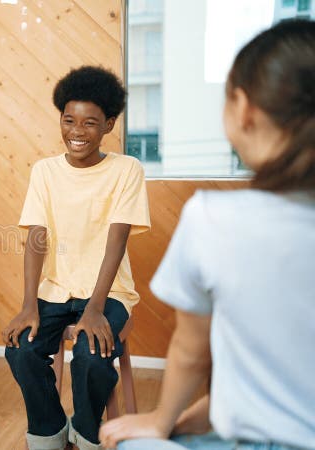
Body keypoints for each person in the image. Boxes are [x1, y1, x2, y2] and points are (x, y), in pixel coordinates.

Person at [99, 19, 315, 450]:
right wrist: (184, 422)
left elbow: (193, 352)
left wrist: (162, 420)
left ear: (244, 108)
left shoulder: (213, 218)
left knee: (122, 442)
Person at [2, 66, 151, 450]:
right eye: (69, 121)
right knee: (21, 350)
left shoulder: (126, 170)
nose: (76, 132)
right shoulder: (45, 171)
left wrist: (96, 308)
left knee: (91, 356)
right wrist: (28, 304)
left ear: (109, 124)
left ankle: (86, 432)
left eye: (89, 123)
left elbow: (116, 242)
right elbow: (37, 237)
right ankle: (50, 430)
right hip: (54, 291)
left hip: (108, 292)